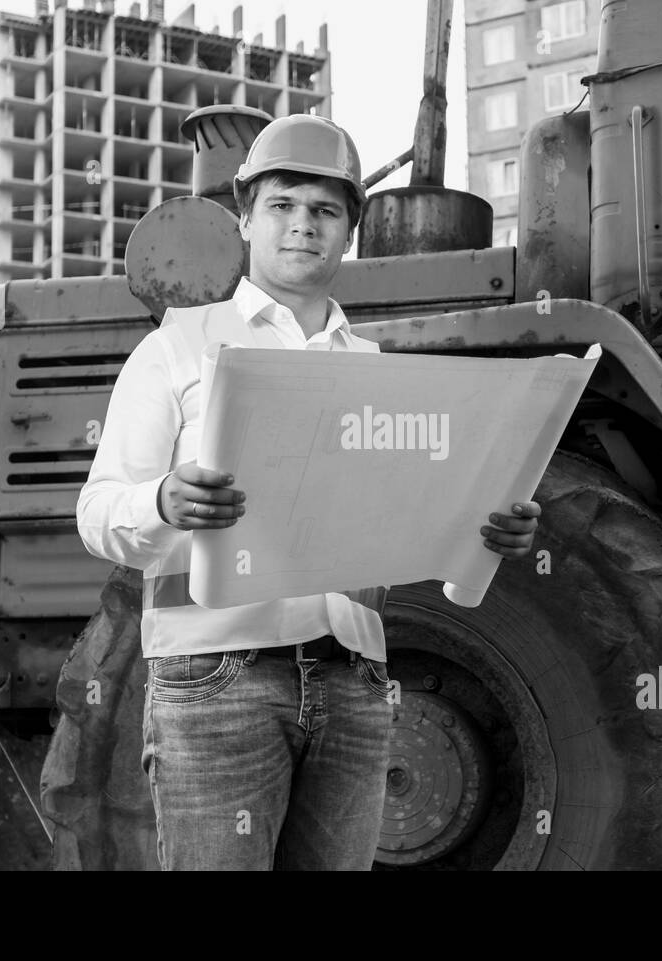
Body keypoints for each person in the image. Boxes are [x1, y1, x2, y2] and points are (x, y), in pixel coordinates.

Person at [76, 114, 540, 871]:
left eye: (325, 211)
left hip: (354, 683)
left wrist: (484, 535)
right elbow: (97, 512)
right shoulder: (178, 348)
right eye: (284, 206)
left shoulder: (376, 370)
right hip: (217, 677)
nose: (303, 226)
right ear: (247, 219)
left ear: (349, 231)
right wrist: (162, 501)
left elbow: (411, 532)